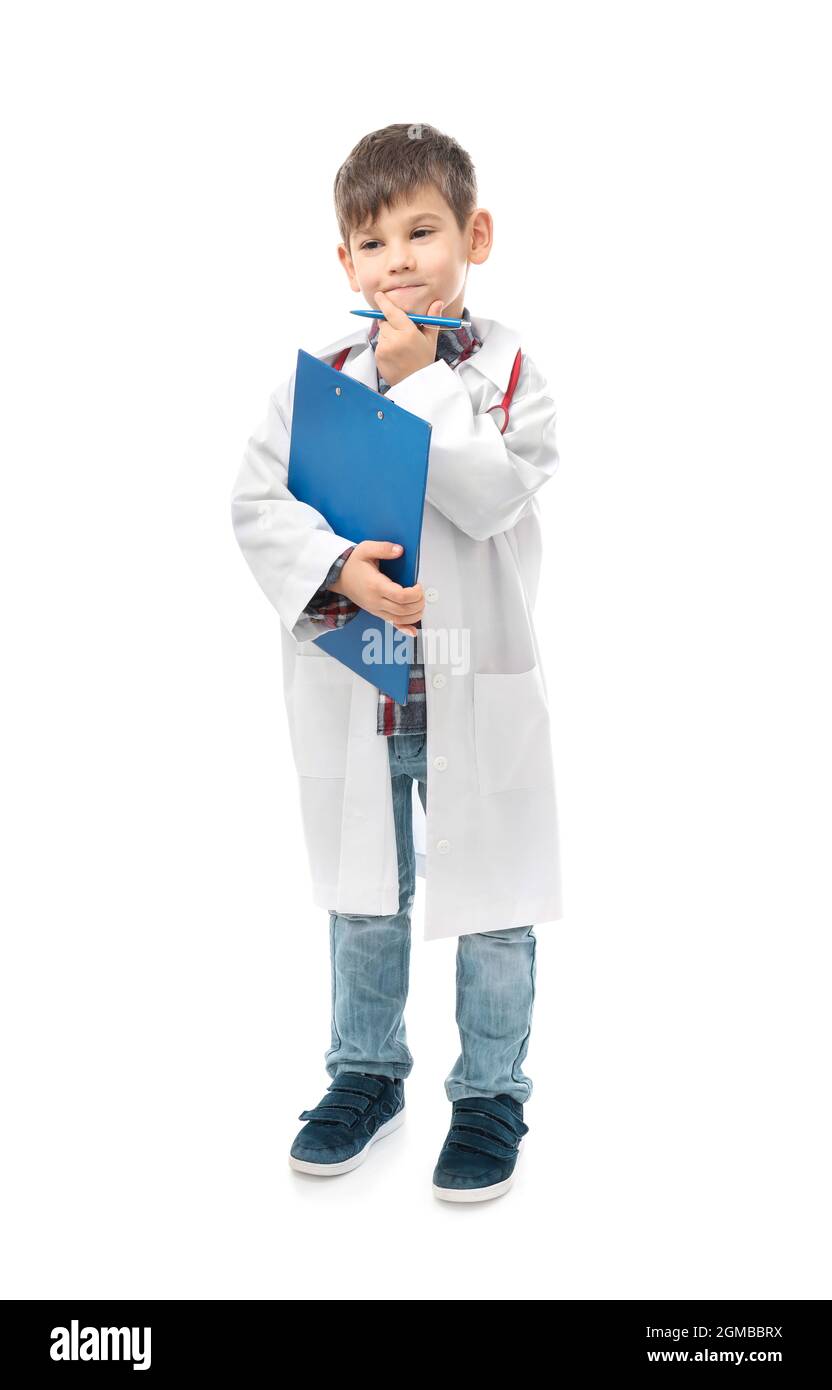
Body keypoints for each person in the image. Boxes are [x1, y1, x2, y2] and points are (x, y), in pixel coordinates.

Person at [230, 123, 563, 1202]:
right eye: (372, 243)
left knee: (492, 897)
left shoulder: (507, 375)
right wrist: (338, 571)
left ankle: (491, 1092)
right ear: (345, 264)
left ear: (475, 234)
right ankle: (364, 1073)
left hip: (472, 678)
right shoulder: (314, 379)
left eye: (423, 232)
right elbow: (257, 503)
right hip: (358, 678)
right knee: (364, 895)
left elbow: (495, 489)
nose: (400, 260)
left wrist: (420, 382)